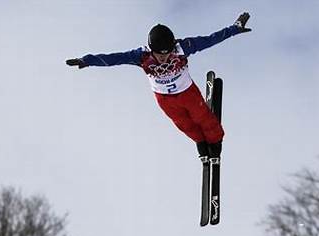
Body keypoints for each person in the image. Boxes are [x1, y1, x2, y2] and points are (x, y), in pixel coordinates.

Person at [66, 13, 251, 160]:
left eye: (168, 53)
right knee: (184, 124)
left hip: (187, 92)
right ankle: (201, 143)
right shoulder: (142, 57)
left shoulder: (182, 48)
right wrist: (87, 61)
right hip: (164, 99)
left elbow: (210, 39)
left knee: (202, 117)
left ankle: (215, 142)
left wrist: (234, 29)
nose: (164, 58)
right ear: (151, 49)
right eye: (160, 55)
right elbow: (114, 58)